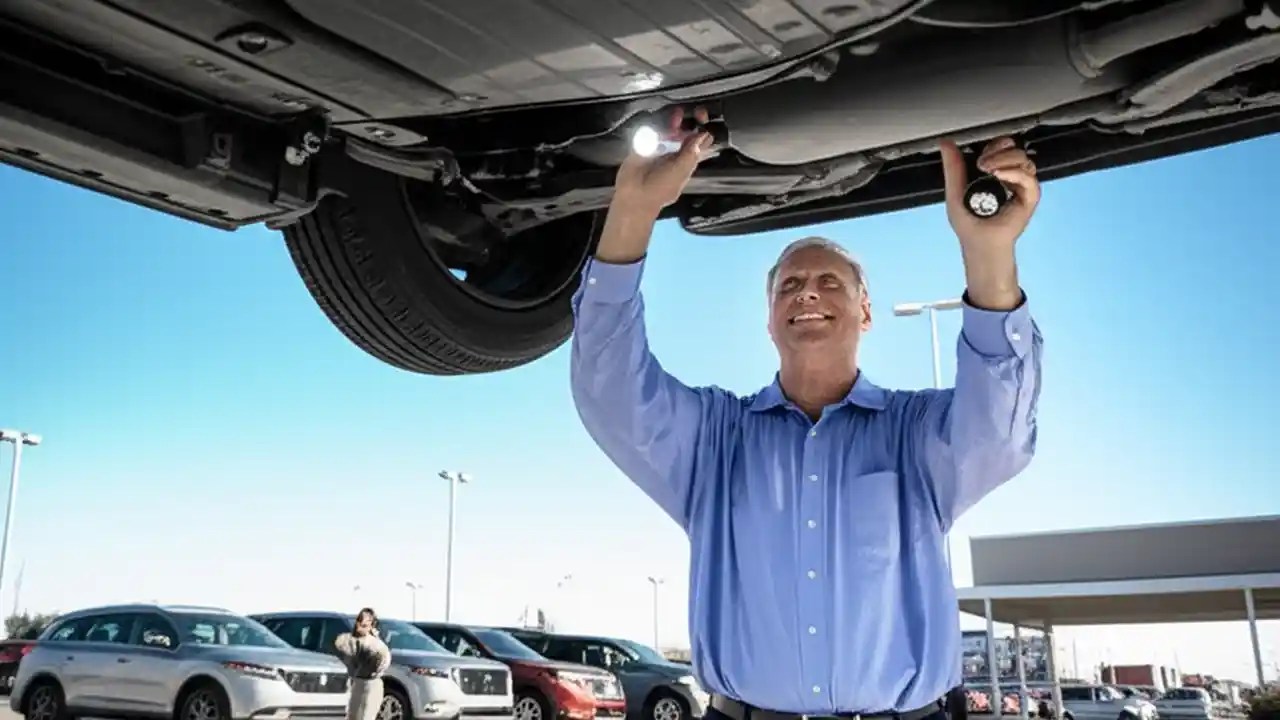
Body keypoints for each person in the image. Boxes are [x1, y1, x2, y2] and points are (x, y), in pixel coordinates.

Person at [569, 107, 1043, 720]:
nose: (808, 292)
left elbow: (1000, 433)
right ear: (770, 320)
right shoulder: (716, 441)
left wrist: (989, 253)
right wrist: (631, 214)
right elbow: (609, 392)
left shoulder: (916, 437)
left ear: (866, 314)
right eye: (789, 286)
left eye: (829, 282)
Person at [334, 608, 392, 720]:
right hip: (356, 682)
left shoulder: (376, 644)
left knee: (366, 715)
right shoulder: (348, 639)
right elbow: (343, 647)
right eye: (359, 620)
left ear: (372, 625)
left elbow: (382, 661)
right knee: (352, 715)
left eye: (365, 622)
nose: (360, 624)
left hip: (371, 683)